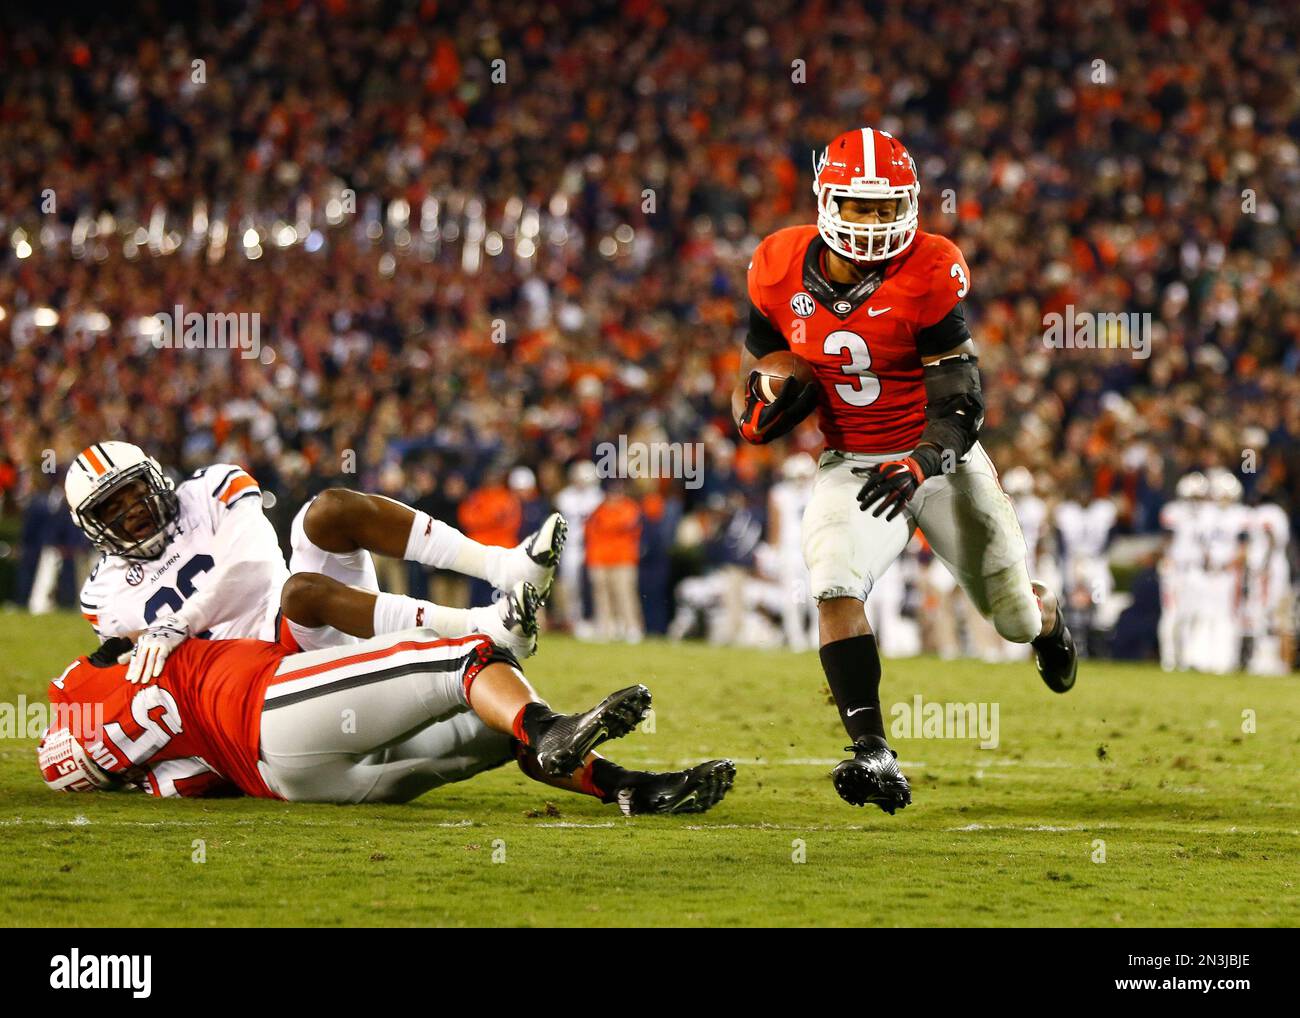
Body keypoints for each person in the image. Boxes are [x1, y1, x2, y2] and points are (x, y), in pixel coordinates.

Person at [732, 127, 1077, 815]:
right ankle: (872, 748)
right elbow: (759, 368)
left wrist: (921, 463)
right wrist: (755, 409)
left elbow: (964, 401)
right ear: (829, 202)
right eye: (861, 208)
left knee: (1009, 618)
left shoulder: (929, 269)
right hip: (852, 464)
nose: (876, 222)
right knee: (832, 581)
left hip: (937, 460)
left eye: (888, 208)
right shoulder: (774, 266)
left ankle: (1048, 621)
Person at [37, 628, 736, 815]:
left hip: (292, 782)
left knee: (497, 728)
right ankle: (552, 730)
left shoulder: (121, 737)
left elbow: (189, 783)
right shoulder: (144, 659)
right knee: (464, 659)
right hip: (272, 708)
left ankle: (629, 788)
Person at [64, 442, 567, 680]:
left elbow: (257, 566)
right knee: (300, 591)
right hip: (249, 686)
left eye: (131, 494)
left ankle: (505, 568)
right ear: (92, 524)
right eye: (111, 508)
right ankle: (483, 626)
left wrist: (182, 621)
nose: (129, 512)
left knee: (327, 512)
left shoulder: (211, 487)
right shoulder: (102, 597)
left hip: (304, 627)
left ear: (154, 478)